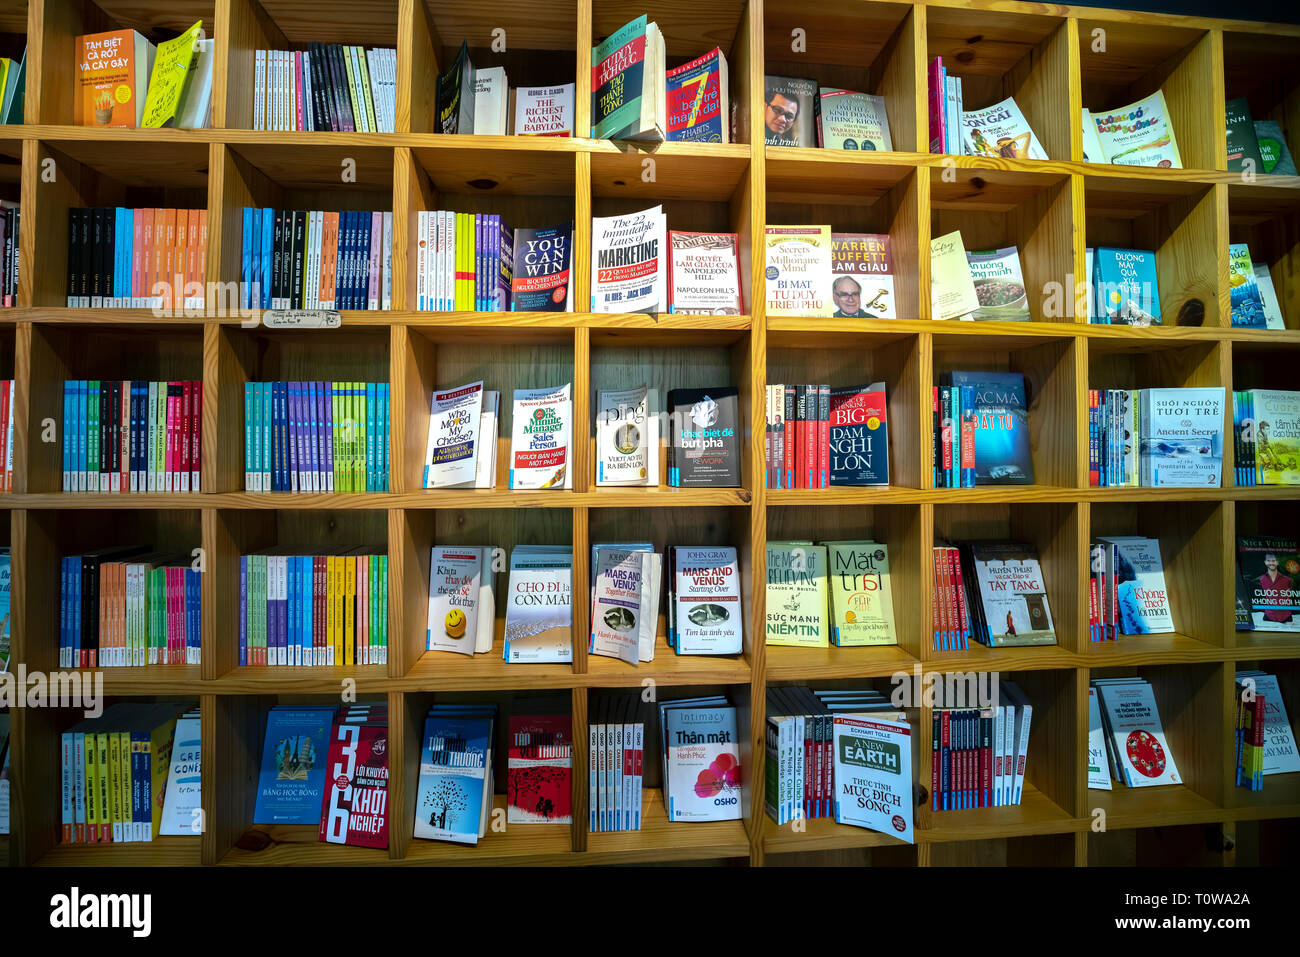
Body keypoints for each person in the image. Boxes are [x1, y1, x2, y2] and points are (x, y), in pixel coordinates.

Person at [1257, 552, 1295, 624]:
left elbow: (1291, 595)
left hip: (1285, 616)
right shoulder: (1261, 580)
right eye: (1268, 560)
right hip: (1269, 616)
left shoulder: (1287, 580)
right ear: (1265, 562)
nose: (1271, 563)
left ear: (1277, 562)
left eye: (1273, 561)